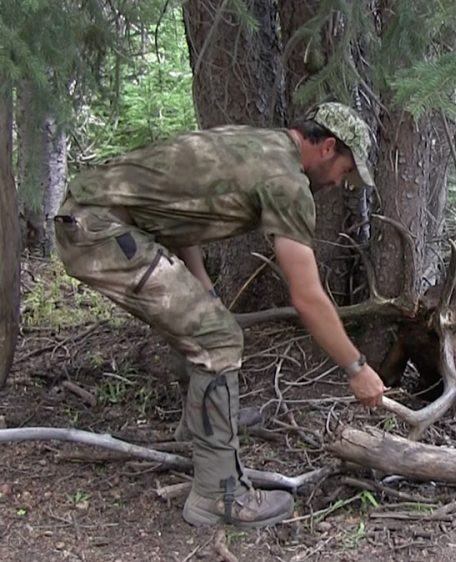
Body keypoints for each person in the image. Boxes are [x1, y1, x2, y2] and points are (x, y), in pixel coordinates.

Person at [53, 102, 387, 528]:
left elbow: (179, 215)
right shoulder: (286, 182)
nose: (343, 183)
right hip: (100, 230)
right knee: (220, 340)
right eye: (346, 170)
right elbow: (307, 297)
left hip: (95, 217)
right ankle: (217, 495)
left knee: (208, 322)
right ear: (327, 147)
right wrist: (356, 368)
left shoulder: (255, 142)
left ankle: (202, 427)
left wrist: (205, 292)